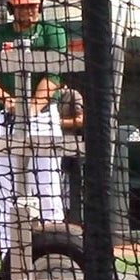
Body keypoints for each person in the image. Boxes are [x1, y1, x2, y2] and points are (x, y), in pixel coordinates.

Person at [0, 0, 69, 260]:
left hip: (42, 119)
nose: (30, 11)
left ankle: (54, 260)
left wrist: (31, 107)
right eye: (23, 6)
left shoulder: (52, 32)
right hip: (5, 119)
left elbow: (53, 76)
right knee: (7, 198)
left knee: (49, 193)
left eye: (33, 5)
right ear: (11, 7)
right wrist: (10, 101)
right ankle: (9, 262)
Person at [56, 82, 85, 223]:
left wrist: (55, 122)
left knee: (63, 186)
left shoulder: (72, 94)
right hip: (43, 144)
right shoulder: (42, 97)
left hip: (68, 146)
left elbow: (80, 120)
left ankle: (65, 219)